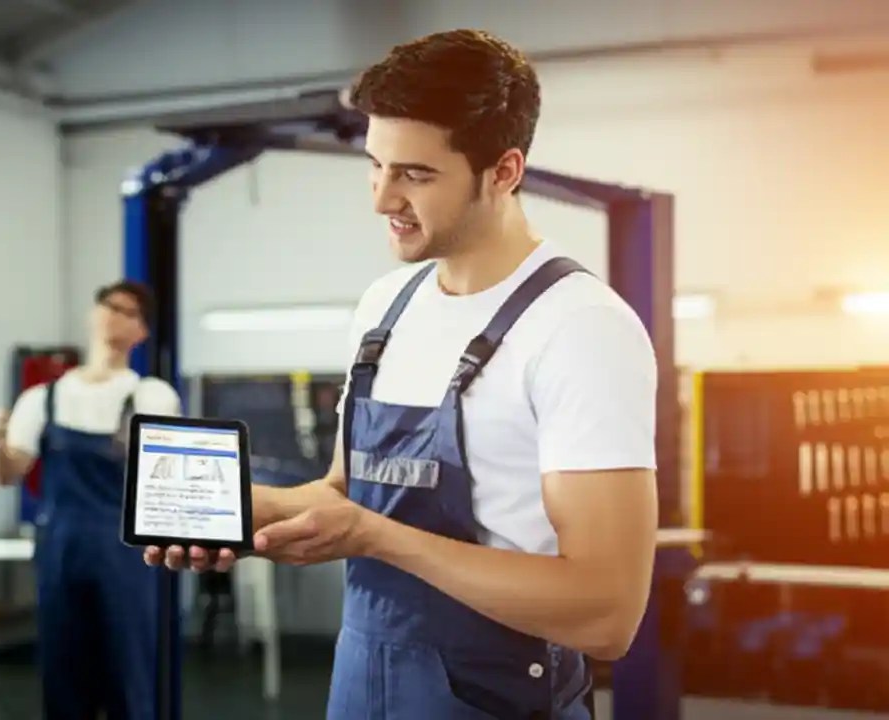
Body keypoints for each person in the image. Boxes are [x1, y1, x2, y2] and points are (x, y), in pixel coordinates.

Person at [145, 28, 659, 719]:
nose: (382, 199)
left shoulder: (581, 328)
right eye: (374, 166)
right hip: (364, 689)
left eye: (415, 174)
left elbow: (605, 614)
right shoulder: (386, 307)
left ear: (504, 171)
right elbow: (343, 493)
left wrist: (374, 536)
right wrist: (234, 520)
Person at [0, 281, 182, 720]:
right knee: (63, 681)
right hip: (60, 553)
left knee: (129, 679)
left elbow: (168, 479)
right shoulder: (41, 399)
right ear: (93, 314)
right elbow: (7, 473)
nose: (115, 315)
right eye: (108, 306)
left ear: (142, 332)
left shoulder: (153, 397)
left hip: (127, 559)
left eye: (129, 312)